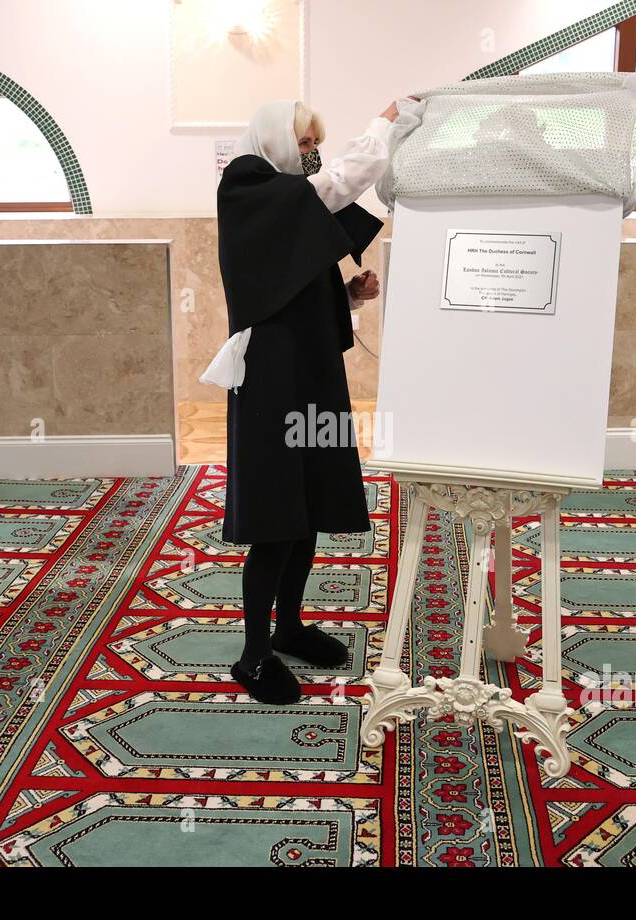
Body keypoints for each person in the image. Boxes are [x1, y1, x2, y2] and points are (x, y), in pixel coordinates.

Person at [202, 98, 404, 703]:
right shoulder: (244, 183)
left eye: (318, 140)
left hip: (309, 371)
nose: (312, 151)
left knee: (309, 502)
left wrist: (347, 294)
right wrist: (385, 125)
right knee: (276, 515)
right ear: (274, 139)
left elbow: (289, 289)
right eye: (304, 140)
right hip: (271, 380)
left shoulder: (283, 201)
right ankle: (253, 654)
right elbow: (337, 184)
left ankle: (288, 627)